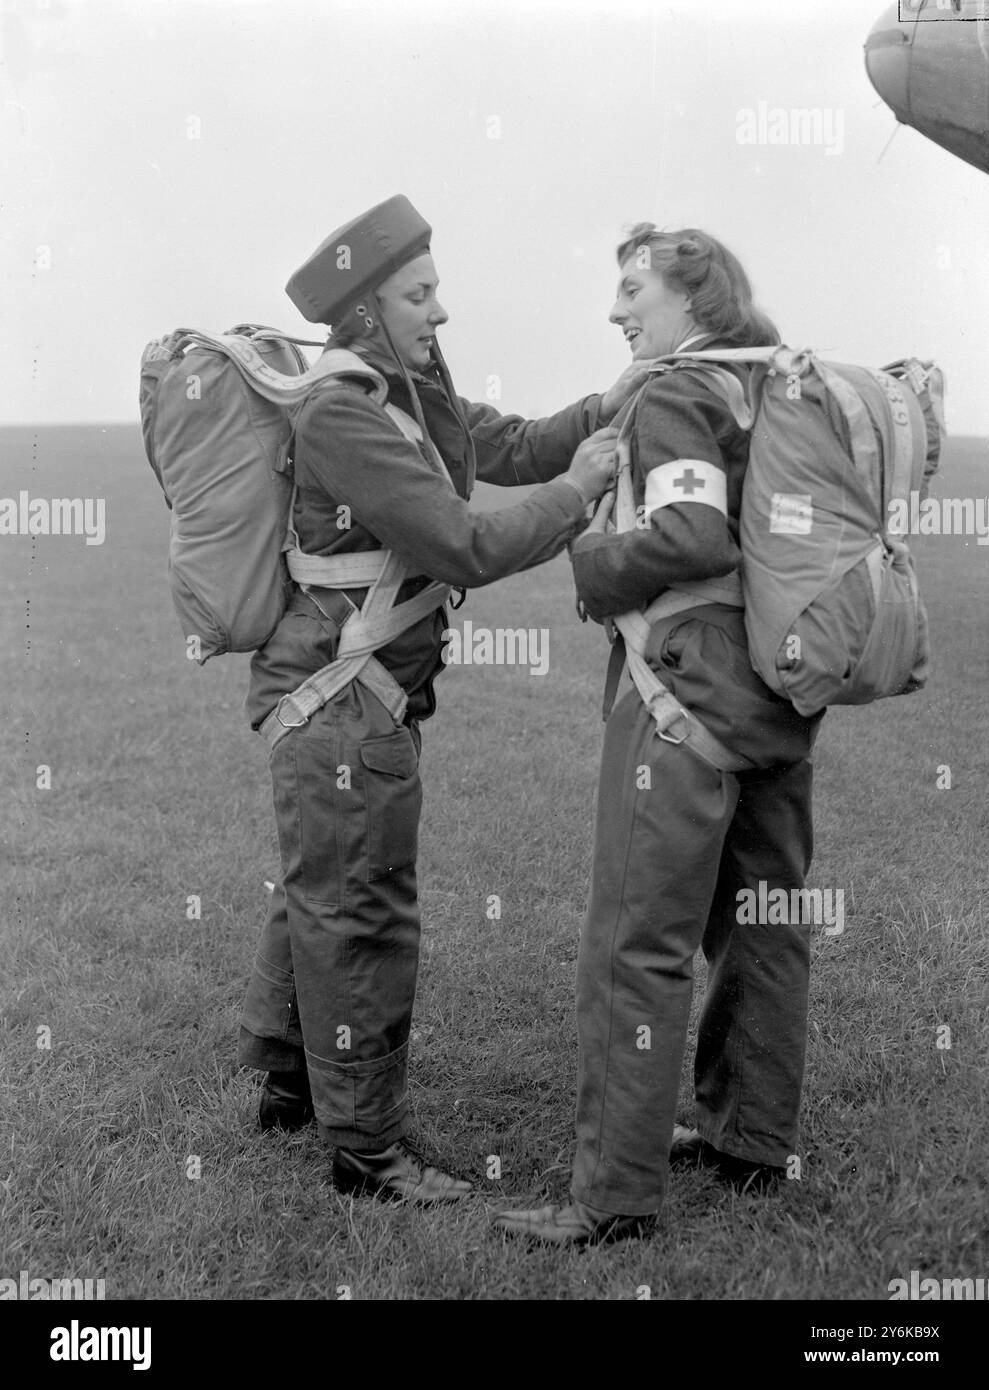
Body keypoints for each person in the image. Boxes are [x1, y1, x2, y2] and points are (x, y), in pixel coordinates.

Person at [237, 195, 648, 1205]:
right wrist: (580, 496)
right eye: (420, 294)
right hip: (342, 707)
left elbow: (506, 444)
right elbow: (461, 543)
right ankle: (365, 1154)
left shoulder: (401, 391)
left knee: (321, 889)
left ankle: (283, 1084)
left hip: (348, 701)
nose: (442, 311)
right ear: (366, 312)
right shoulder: (342, 410)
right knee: (362, 914)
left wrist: (608, 405)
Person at [495, 224, 824, 1246]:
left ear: (695, 298)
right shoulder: (772, 386)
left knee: (635, 946)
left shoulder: (677, 391)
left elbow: (689, 535)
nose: (615, 310)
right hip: (780, 691)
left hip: (681, 696)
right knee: (765, 924)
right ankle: (750, 1141)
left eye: (632, 288)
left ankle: (610, 1197)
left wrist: (590, 570)